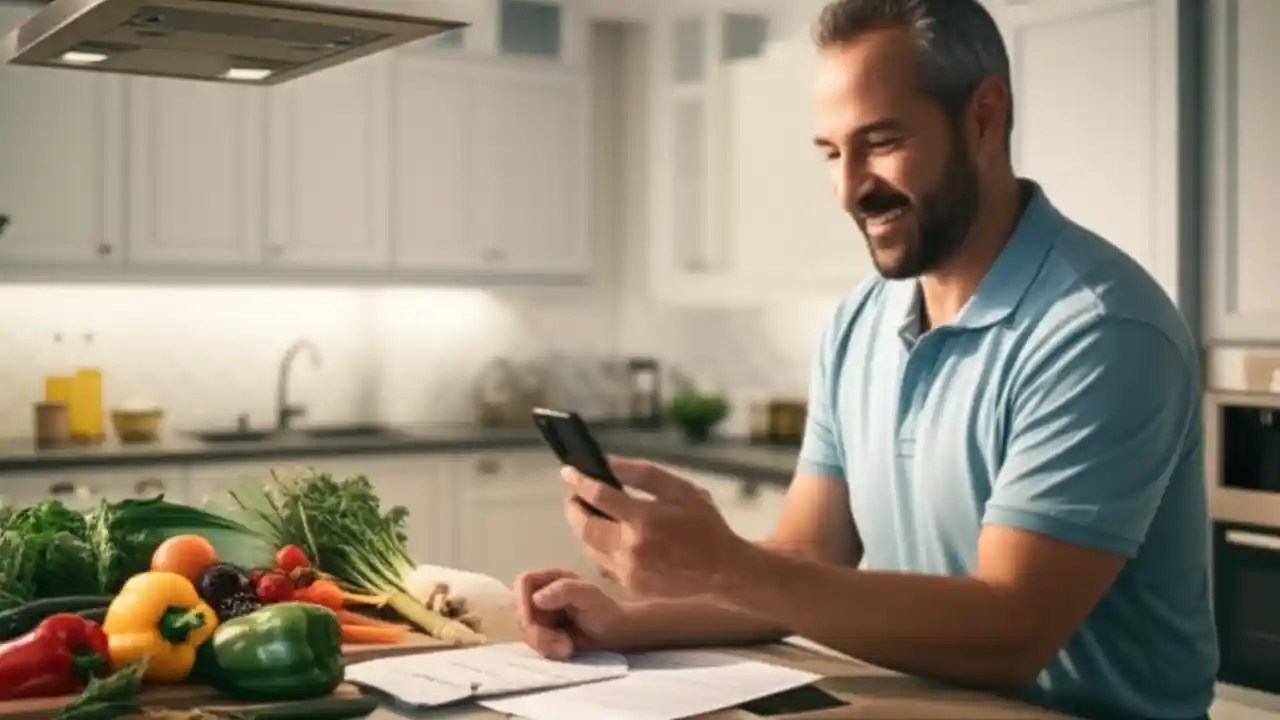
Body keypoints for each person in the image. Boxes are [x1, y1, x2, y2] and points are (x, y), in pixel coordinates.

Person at [514, 0, 1219, 718]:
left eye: (881, 142)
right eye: (832, 152)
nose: (849, 189)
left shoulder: (1099, 331)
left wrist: (725, 565)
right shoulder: (862, 322)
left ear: (984, 118)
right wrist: (628, 625)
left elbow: (1011, 633)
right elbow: (809, 561)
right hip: (932, 704)